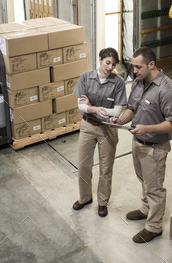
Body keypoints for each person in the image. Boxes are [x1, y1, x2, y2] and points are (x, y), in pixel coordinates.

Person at [111, 47, 172, 243]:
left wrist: (147, 128)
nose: (134, 70)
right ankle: (145, 209)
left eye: (138, 67)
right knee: (144, 180)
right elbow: (132, 108)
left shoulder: (166, 89)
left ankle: (154, 227)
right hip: (138, 142)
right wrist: (121, 120)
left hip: (155, 148)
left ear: (151, 64)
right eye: (133, 66)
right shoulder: (138, 83)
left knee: (154, 187)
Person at [72, 48, 127, 217]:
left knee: (106, 167)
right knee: (83, 165)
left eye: (113, 64)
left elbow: (117, 111)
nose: (110, 67)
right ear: (100, 60)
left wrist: (92, 108)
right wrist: (94, 109)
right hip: (87, 127)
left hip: (107, 129)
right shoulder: (85, 77)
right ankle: (85, 197)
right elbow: (80, 106)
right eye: (107, 63)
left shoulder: (118, 82)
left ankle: (102, 201)